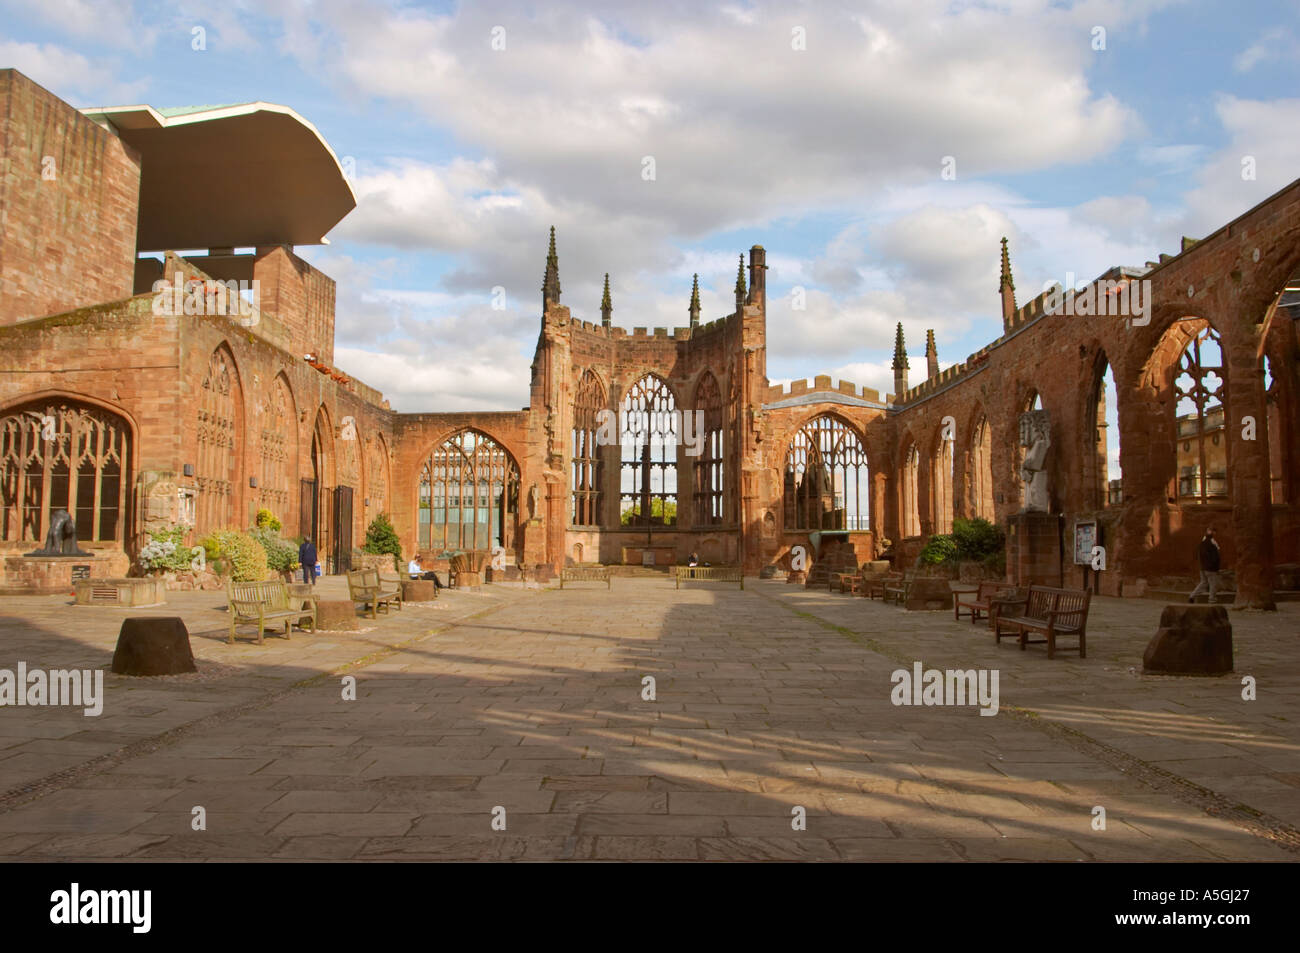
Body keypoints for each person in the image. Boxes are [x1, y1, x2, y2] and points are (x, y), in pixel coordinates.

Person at [1188, 527, 1221, 603]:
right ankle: (1212, 599)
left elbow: (1200, 556)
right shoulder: (1212, 544)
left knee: (1203, 583)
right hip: (1210, 568)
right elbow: (1215, 557)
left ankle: (1192, 596)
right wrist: (1216, 567)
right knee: (1213, 583)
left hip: (1202, 567)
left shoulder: (1201, 544)